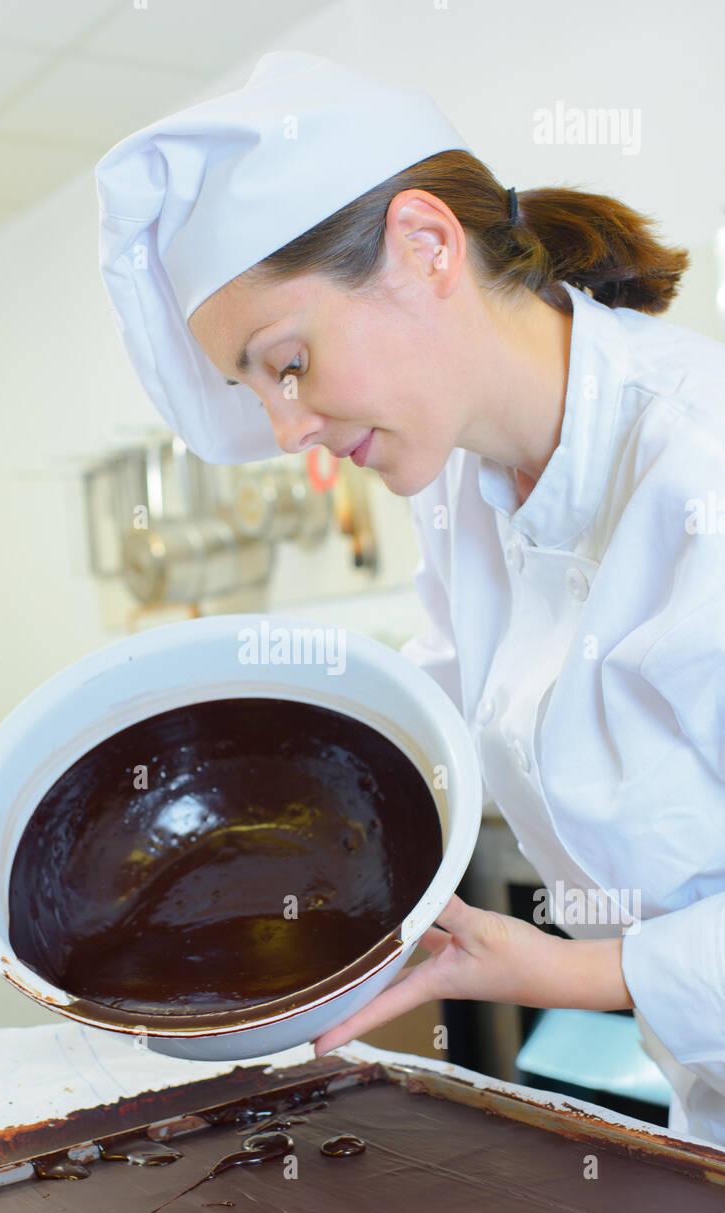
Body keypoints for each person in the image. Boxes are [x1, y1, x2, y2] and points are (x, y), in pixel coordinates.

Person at [96, 50, 725, 1146]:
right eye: (254, 391)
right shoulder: (461, 485)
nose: (288, 434)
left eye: (285, 365)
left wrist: (579, 970)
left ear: (427, 245)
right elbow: (430, 725)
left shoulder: (700, 469)